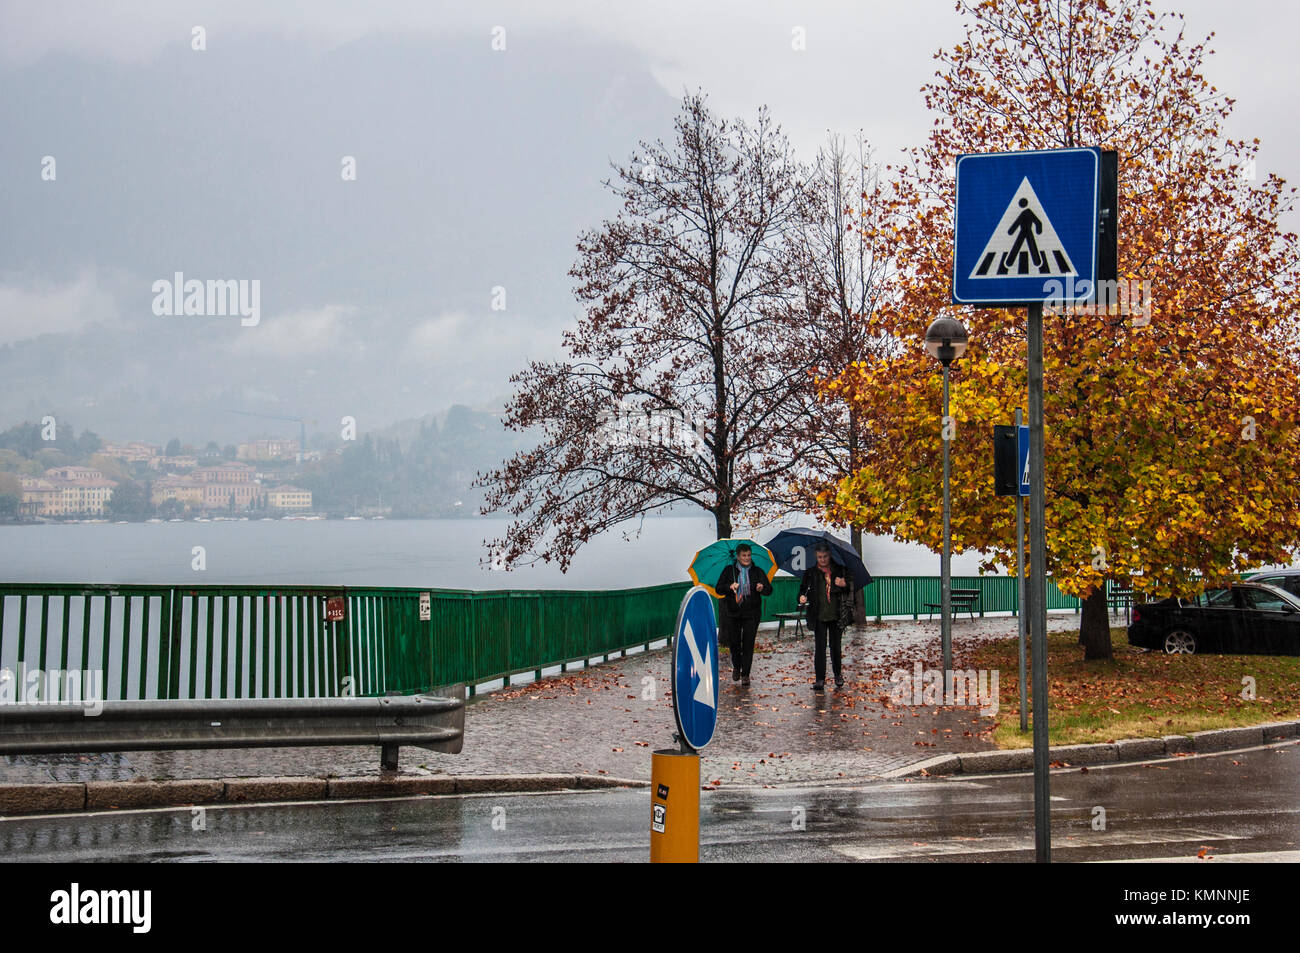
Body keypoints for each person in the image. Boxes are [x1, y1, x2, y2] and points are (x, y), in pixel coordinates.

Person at [714, 544, 771, 685]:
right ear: (738, 556)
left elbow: (769, 590)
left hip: (751, 613)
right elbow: (718, 589)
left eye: (748, 555)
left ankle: (745, 674)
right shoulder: (729, 571)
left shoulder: (757, 571)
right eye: (744, 555)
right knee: (734, 642)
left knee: (748, 643)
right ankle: (737, 667)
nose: (747, 558)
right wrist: (729, 587)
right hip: (733, 613)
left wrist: (762, 587)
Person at [798, 543, 851, 691]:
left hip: (836, 614)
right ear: (816, 556)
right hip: (818, 615)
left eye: (825, 556)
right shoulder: (810, 573)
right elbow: (803, 590)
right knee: (819, 648)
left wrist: (843, 583)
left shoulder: (839, 570)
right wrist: (801, 597)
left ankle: (838, 675)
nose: (822, 560)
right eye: (819, 557)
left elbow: (850, 586)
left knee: (836, 647)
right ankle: (820, 679)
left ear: (830, 555)